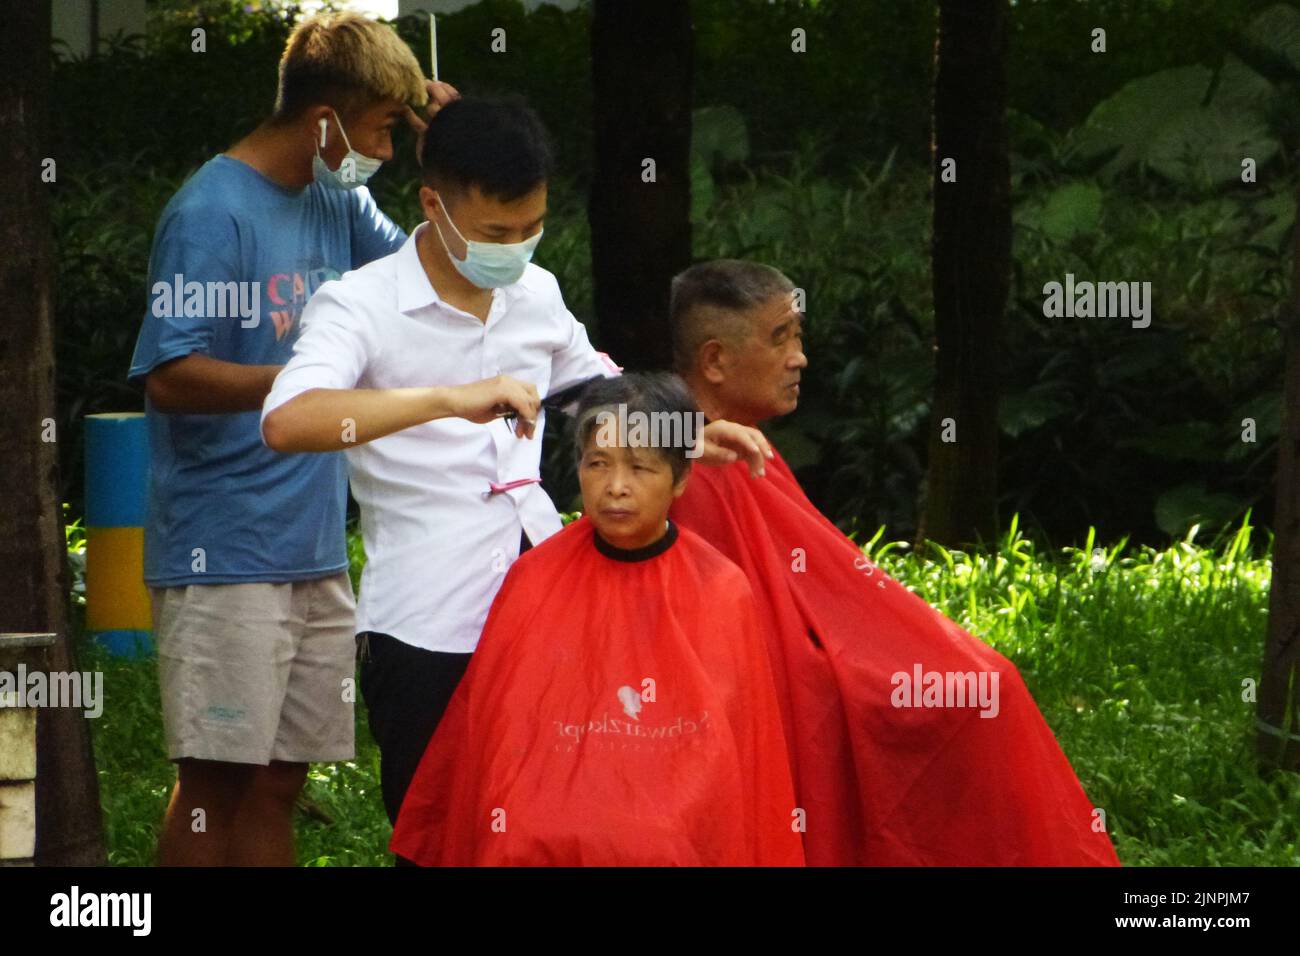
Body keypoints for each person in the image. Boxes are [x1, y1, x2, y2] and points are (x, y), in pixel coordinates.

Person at [260, 99, 771, 854]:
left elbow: (595, 392)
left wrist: (685, 426)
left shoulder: (537, 295)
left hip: (551, 606)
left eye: (532, 227)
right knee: (438, 829)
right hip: (428, 624)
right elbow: (287, 419)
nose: (517, 247)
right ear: (433, 204)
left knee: (551, 814)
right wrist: (447, 399)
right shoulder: (361, 305)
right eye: (498, 233)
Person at [127, 11, 455, 866]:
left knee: (279, 781)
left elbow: (430, 266)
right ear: (324, 122)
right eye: (382, 127)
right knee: (215, 783)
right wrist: (302, 385)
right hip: (224, 549)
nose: (383, 149)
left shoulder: (333, 195)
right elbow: (169, 374)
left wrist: (447, 153)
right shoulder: (211, 212)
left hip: (311, 544)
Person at [667, 259, 1122, 866]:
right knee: (979, 696)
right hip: (777, 693)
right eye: (781, 339)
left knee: (986, 683)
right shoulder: (690, 468)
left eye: (799, 336)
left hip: (820, 662)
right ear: (716, 361)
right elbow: (755, 646)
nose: (800, 357)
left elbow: (820, 589)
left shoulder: (743, 442)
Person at [390, 374, 805, 866]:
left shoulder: (721, 588)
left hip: (669, 821)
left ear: (681, 478)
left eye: (640, 468)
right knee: (516, 835)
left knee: (654, 844)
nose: (616, 488)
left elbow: (730, 760)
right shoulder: (534, 579)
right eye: (598, 464)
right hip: (541, 820)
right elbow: (498, 743)